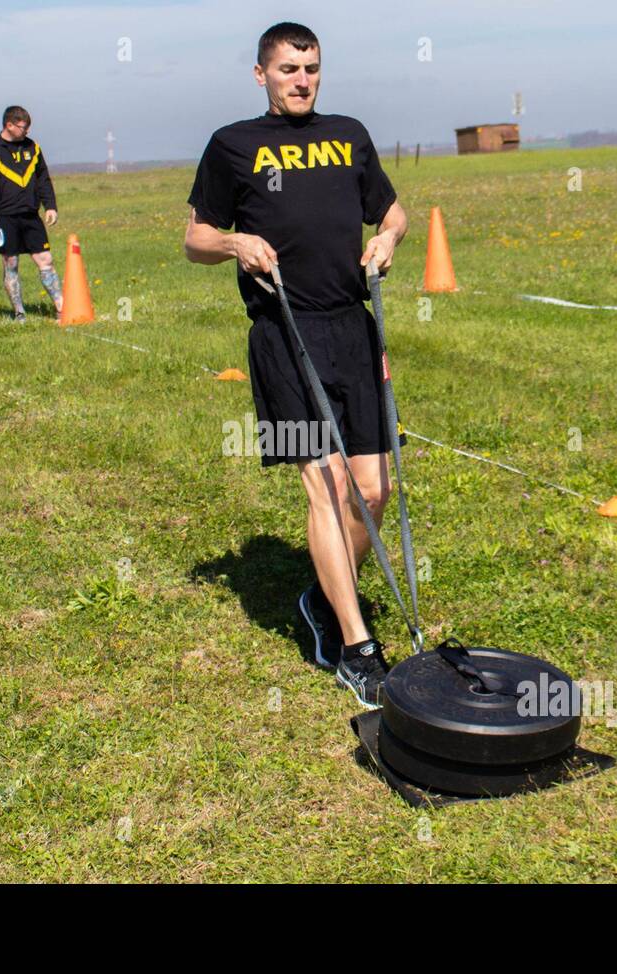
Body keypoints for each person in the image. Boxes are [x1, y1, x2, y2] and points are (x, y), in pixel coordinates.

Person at [183, 22, 408, 708]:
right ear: (262, 75)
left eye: (311, 67)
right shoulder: (233, 145)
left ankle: (320, 596)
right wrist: (236, 243)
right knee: (327, 482)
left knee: (373, 493)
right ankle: (356, 648)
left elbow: (394, 212)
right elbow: (194, 240)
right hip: (283, 332)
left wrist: (389, 240)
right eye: (288, 69)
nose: (302, 79)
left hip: (352, 328)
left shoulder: (350, 134)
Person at [0, 106, 63, 321]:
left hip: (30, 216)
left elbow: (43, 178)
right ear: (9, 125)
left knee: (46, 259)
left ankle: (62, 309)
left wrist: (50, 205)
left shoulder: (33, 148)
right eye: (23, 128)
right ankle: (19, 313)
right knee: (10, 264)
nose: (27, 132)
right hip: (2, 219)